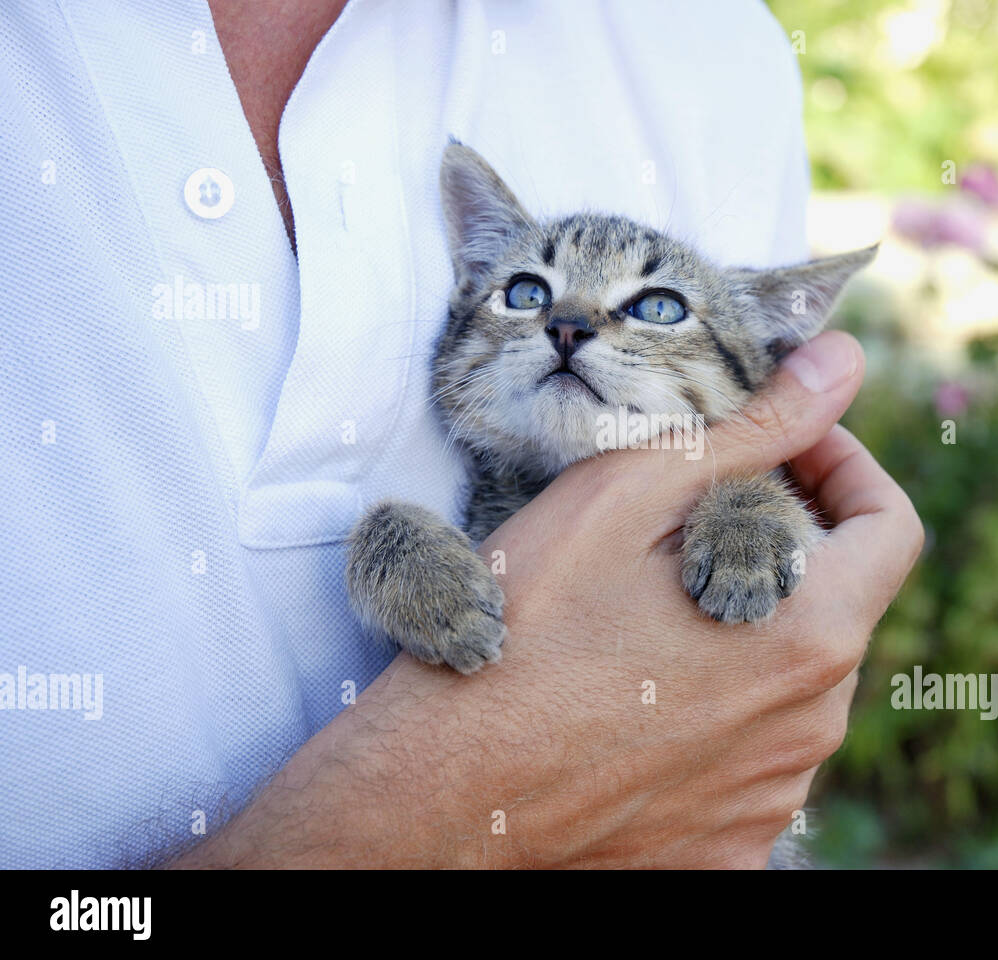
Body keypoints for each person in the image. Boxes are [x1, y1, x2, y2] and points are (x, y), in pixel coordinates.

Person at [0, 0, 921, 868]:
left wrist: (756, 507)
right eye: (527, 293)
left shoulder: (712, 44)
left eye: (655, 307)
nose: (573, 327)